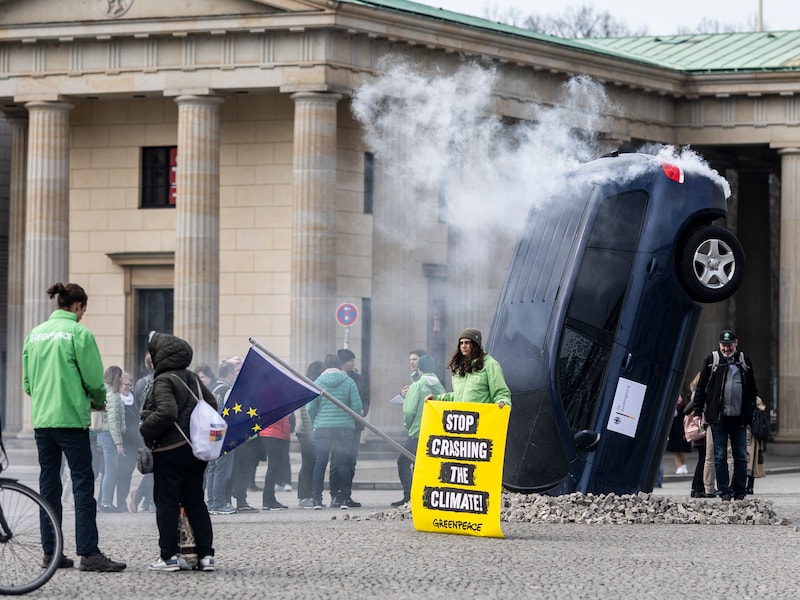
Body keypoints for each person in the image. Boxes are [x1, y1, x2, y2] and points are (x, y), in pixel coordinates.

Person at [22, 282, 126, 572]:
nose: (82, 315)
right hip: (71, 420)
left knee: (49, 485)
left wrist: (45, 400)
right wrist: (97, 401)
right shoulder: (79, 333)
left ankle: (50, 553)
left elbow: (27, 383)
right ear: (78, 306)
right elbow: (95, 380)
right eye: (83, 310)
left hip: (43, 421)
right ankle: (89, 553)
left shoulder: (35, 333)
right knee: (82, 483)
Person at [140, 331, 216, 572]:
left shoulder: (163, 380)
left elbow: (167, 412)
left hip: (170, 449)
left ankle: (169, 556)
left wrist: (146, 428)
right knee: (195, 502)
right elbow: (212, 405)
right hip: (195, 449)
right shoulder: (192, 378)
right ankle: (206, 556)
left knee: (167, 503)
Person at [693, 330, 758, 501]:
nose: (726, 348)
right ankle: (724, 492)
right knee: (719, 456)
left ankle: (739, 491)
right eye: (724, 345)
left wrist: (749, 414)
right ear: (720, 344)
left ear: (736, 343)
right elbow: (700, 389)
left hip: (739, 419)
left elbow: (752, 389)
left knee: (741, 457)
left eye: (729, 345)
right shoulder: (711, 361)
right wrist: (698, 413)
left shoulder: (744, 361)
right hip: (718, 419)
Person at [307, 354, 363, 509]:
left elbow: (310, 407)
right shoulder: (348, 381)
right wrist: (352, 419)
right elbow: (357, 406)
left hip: (322, 428)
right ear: (339, 364)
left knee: (320, 463)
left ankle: (317, 500)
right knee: (343, 462)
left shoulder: (318, 382)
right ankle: (345, 499)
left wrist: (315, 422)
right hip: (344, 427)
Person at [393, 354, 445, 507]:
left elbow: (409, 412)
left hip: (417, 431)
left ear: (420, 368)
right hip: (434, 431)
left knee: (403, 461)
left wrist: (409, 426)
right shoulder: (440, 386)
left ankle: (409, 496)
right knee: (424, 464)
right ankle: (423, 495)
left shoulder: (417, 385)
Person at [426, 328, 511, 407]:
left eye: (467, 342)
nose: (463, 346)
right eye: (461, 343)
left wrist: (503, 401)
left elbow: (501, 392)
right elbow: (458, 396)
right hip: (461, 421)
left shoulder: (490, 365)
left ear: (475, 345)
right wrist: (436, 399)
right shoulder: (459, 367)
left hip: (481, 420)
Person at [204, 361, 245, 514]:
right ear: (229, 374)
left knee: (213, 469)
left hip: (212, 432)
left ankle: (212, 502)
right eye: (234, 373)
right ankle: (218, 504)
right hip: (225, 433)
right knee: (222, 470)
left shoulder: (212, 388)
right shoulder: (227, 390)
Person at [332, 348, 369, 507]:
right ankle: (335, 494)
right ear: (342, 362)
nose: (353, 363)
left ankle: (347, 494)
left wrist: (363, 412)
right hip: (339, 425)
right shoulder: (335, 378)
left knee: (351, 461)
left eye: (353, 360)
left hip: (355, 425)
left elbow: (366, 398)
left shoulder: (358, 378)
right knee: (337, 460)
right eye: (350, 360)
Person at [97, 366, 125, 512]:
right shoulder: (113, 395)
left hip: (103, 435)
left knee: (108, 471)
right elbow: (113, 422)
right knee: (111, 471)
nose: (122, 379)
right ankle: (105, 503)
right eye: (120, 376)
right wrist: (118, 442)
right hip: (109, 436)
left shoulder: (103, 392)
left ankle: (103, 501)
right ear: (116, 377)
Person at [296, 361, 323, 508]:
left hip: (308, 431)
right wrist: (311, 435)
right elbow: (306, 414)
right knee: (308, 464)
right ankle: (303, 496)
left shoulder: (310, 385)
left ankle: (309, 495)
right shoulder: (309, 386)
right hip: (306, 432)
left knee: (311, 464)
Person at [131, 353, 155, 512]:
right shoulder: (157, 381)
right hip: (153, 427)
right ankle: (149, 499)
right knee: (154, 465)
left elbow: (135, 406)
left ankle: (142, 496)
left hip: (145, 426)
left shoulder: (140, 383)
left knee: (153, 465)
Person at [115, 372, 139, 512]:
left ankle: (123, 499)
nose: (128, 387)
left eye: (130, 385)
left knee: (129, 471)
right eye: (126, 385)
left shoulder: (134, 398)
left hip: (134, 439)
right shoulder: (117, 399)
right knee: (121, 472)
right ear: (120, 385)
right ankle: (119, 502)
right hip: (122, 440)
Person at [259, 414, 292, 510]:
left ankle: (269, 499)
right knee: (273, 467)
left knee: (275, 467)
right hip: (273, 433)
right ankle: (268, 500)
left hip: (277, 433)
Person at [746, 396, 768, 494]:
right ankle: (750, 487)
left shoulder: (746, 397)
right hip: (757, 434)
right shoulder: (758, 400)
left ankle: (741, 485)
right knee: (754, 460)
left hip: (747, 432)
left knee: (745, 459)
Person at [667, 394, 692, 475]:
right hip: (673, 432)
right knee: (675, 450)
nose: (678, 399)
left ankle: (682, 466)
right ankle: (680, 466)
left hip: (683, 431)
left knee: (683, 449)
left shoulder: (685, 407)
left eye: (679, 397)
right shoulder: (670, 408)